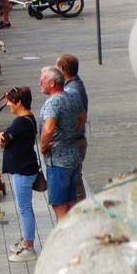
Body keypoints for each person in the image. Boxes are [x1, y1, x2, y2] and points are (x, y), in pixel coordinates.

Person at [0, 86, 40, 263]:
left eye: (10, 101)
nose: (8, 104)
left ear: (19, 102)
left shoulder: (20, 122)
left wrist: (0, 137)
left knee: (24, 209)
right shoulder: (29, 119)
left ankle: (29, 248)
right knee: (25, 208)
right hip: (26, 167)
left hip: (22, 171)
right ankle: (26, 240)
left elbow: (4, 141)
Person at [39, 65, 84, 220]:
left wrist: (43, 146)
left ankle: (64, 235)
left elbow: (49, 128)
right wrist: (71, 132)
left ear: (52, 83)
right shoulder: (71, 97)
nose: (40, 83)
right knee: (71, 203)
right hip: (73, 156)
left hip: (58, 161)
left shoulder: (53, 103)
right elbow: (82, 117)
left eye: (42, 80)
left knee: (59, 206)